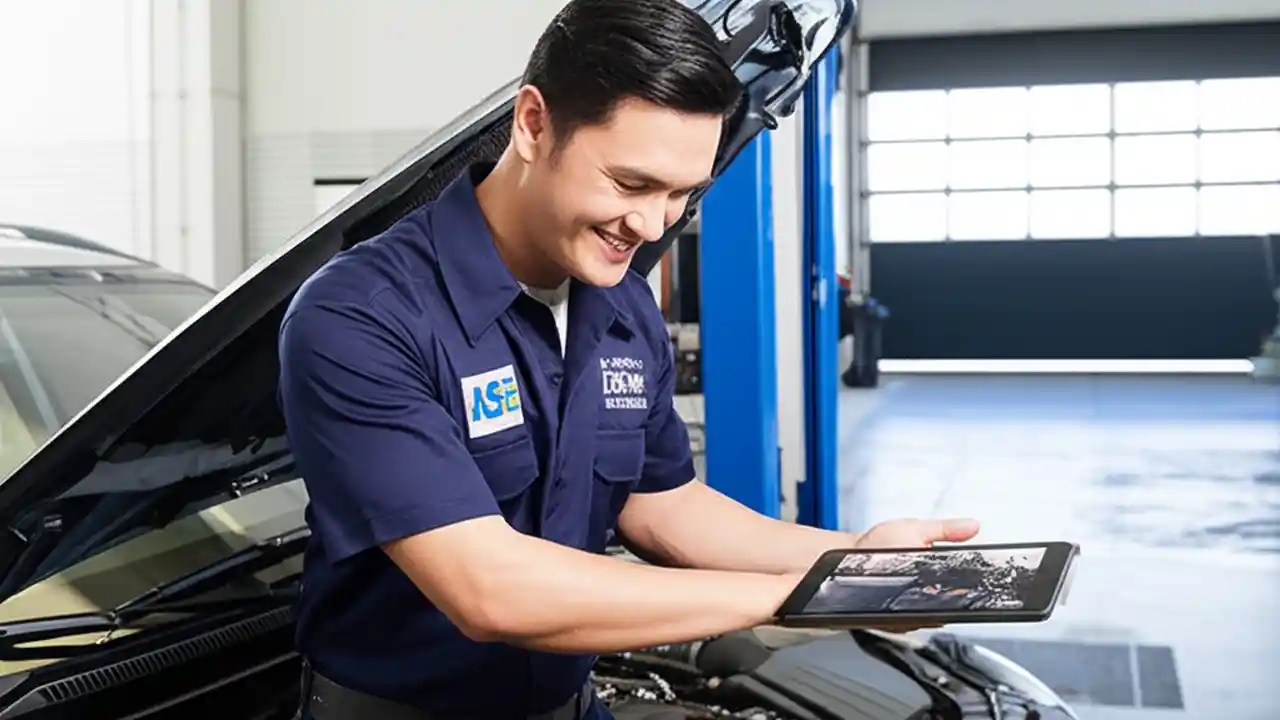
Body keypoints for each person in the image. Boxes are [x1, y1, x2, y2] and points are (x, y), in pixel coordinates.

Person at [277, 0, 980, 717]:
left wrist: (857, 558)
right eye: (631, 183)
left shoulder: (621, 304)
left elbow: (664, 507)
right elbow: (492, 590)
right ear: (532, 124)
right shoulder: (364, 313)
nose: (650, 225)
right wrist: (808, 597)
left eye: (682, 193)